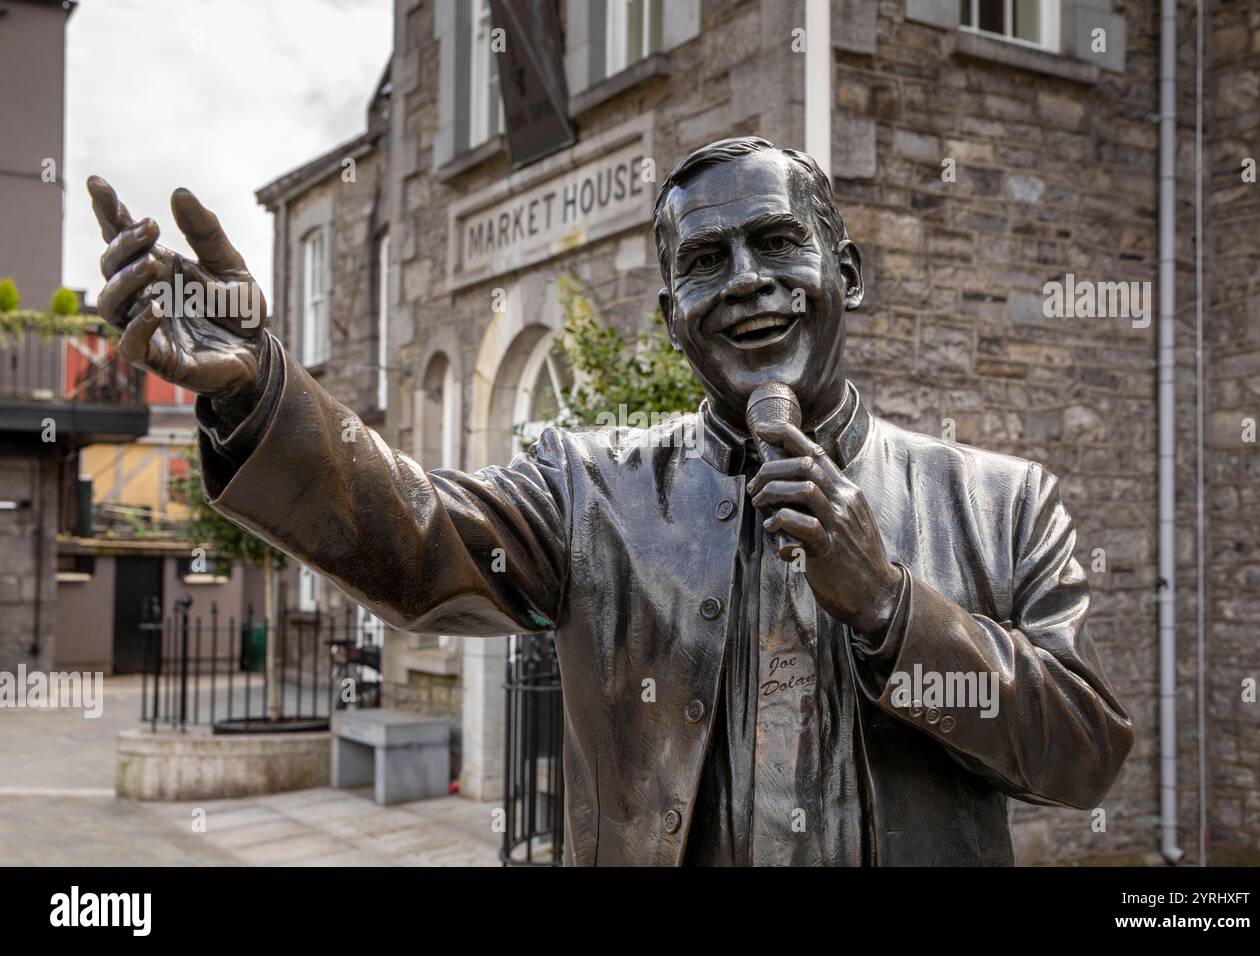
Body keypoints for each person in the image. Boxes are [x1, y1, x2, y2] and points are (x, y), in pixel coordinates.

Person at [88, 136, 1133, 866]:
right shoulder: (587, 487)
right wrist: (265, 387)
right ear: (673, 315)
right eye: (706, 262)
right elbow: (408, 534)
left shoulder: (999, 502)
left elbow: (1083, 754)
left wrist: (892, 607)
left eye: (777, 244)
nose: (747, 283)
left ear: (844, 272)